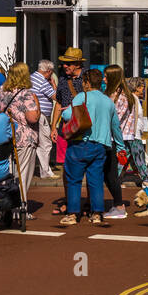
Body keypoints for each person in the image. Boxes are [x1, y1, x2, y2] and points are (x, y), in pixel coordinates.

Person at [57, 68, 125, 228]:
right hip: (101, 145)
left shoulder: (82, 96)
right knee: (95, 180)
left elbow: (67, 116)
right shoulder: (108, 101)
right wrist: (121, 146)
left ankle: (73, 214)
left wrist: (67, 111)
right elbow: (116, 126)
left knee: (74, 180)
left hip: (80, 143)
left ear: (87, 82)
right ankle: (96, 213)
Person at [0, 62, 41, 199]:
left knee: (8, 172)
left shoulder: (2, 90)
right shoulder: (26, 94)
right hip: (24, 137)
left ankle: (6, 204)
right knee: (23, 173)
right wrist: (37, 107)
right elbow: (32, 118)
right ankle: (20, 206)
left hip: (6, 134)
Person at [50, 48, 84, 213]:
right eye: (63, 63)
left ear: (78, 64)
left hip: (83, 127)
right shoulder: (63, 79)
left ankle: (88, 202)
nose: (64, 66)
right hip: (65, 127)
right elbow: (58, 103)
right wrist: (53, 127)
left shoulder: (87, 79)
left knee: (85, 166)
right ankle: (69, 201)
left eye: (68, 63)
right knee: (66, 167)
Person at [101, 65, 135, 220]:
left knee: (111, 174)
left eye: (106, 77)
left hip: (113, 139)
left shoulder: (119, 97)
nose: (103, 79)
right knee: (109, 173)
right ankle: (117, 204)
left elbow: (114, 120)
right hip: (113, 138)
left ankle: (119, 205)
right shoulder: (119, 95)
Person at [29, 60, 58, 179]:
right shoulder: (43, 81)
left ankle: (43, 169)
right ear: (49, 71)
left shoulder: (31, 77)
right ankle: (45, 171)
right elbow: (56, 97)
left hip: (33, 113)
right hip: (41, 115)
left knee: (37, 142)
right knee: (45, 143)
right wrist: (54, 85)